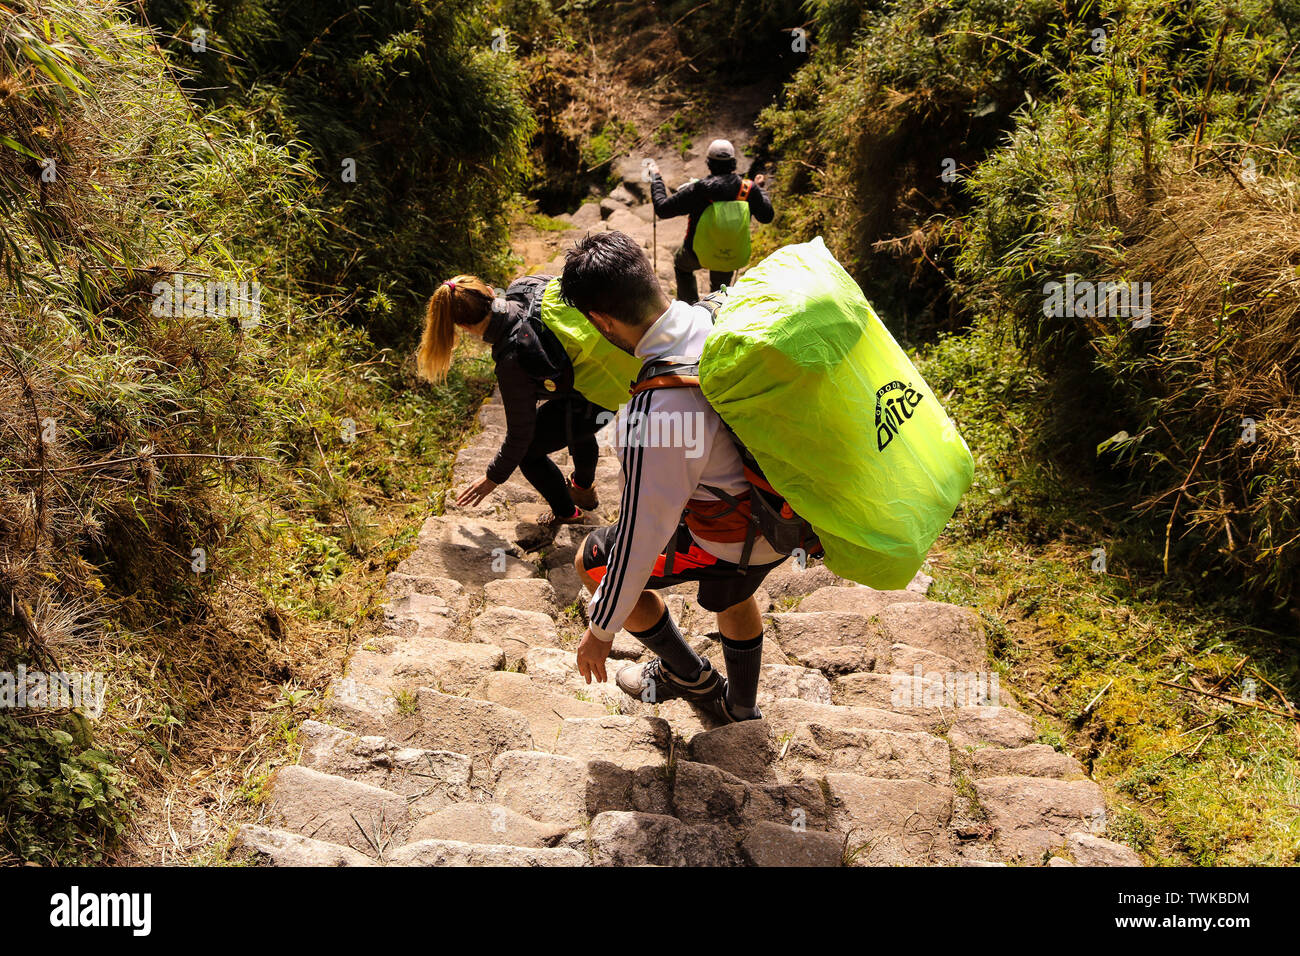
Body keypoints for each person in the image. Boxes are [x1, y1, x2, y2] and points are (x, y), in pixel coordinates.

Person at [559, 231, 787, 723]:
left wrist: (600, 631)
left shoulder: (657, 411)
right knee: (737, 586)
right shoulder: (721, 312)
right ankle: (742, 706)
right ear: (651, 277)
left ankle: (689, 677)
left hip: (735, 534)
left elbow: (641, 540)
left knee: (594, 560)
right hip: (789, 512)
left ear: (600, 320)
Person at [416, 273, 601, 531]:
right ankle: (582, 487)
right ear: (491, 292)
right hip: (597, 364)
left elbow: (520, 436)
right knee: (575, 420)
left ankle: (569, 514)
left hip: (590, 390)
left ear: (465, 327)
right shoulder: (525, 285)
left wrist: (493, 477)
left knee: (529, 454)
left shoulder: (511, 360)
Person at [646, 138, 774, 303]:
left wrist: (656, 178)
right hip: (730, 253)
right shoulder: (748, 189)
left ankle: (691, 305)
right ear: (733, 162)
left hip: (695, 253)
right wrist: (760, 189)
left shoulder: (699, 189)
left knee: (681, 265)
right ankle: (716, 309)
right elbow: (767, 216)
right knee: (720, 288)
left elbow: (662, 209)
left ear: (708, 163)